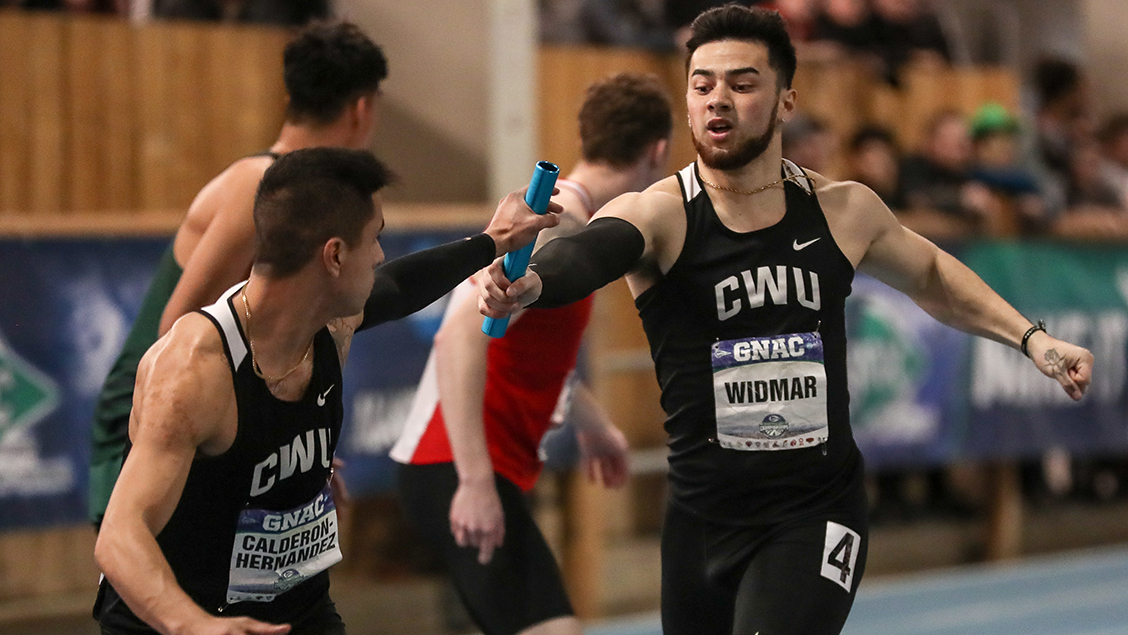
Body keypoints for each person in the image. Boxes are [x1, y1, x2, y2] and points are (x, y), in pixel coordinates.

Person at [477, 6, 1094, 634]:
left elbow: (934, 275)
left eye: (742, 85)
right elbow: (589, 253)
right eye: (702, 85)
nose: (718, 100)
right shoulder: (661, 213)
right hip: (700, 519)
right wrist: (531, 282)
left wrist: (1031, 337)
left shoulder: (843, 210)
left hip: (814, 512)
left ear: (785, 102)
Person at [93, 147, 562, 635]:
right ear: (334, 255)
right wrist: (192, 625)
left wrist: (492, 241)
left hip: (294, 606)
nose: (380, 255)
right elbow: (120, 534)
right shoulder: (194, 369)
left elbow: (399, 287)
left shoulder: (331, 324)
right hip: (176, 620)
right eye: (375, 239)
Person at [391, 72, 673, 635]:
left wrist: (592, 422)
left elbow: (531, 348)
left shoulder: (578, 221)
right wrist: (474, 480)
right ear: (657, 152)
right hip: (453, 461)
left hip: (474, 461)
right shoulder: (558, 221)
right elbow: (460, 336)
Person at [88, 20, 387, 529]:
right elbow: (174, 329)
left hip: (206, 414)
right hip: (151, 413)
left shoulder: (301, 190)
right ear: (362, 109)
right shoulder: (261, 185)